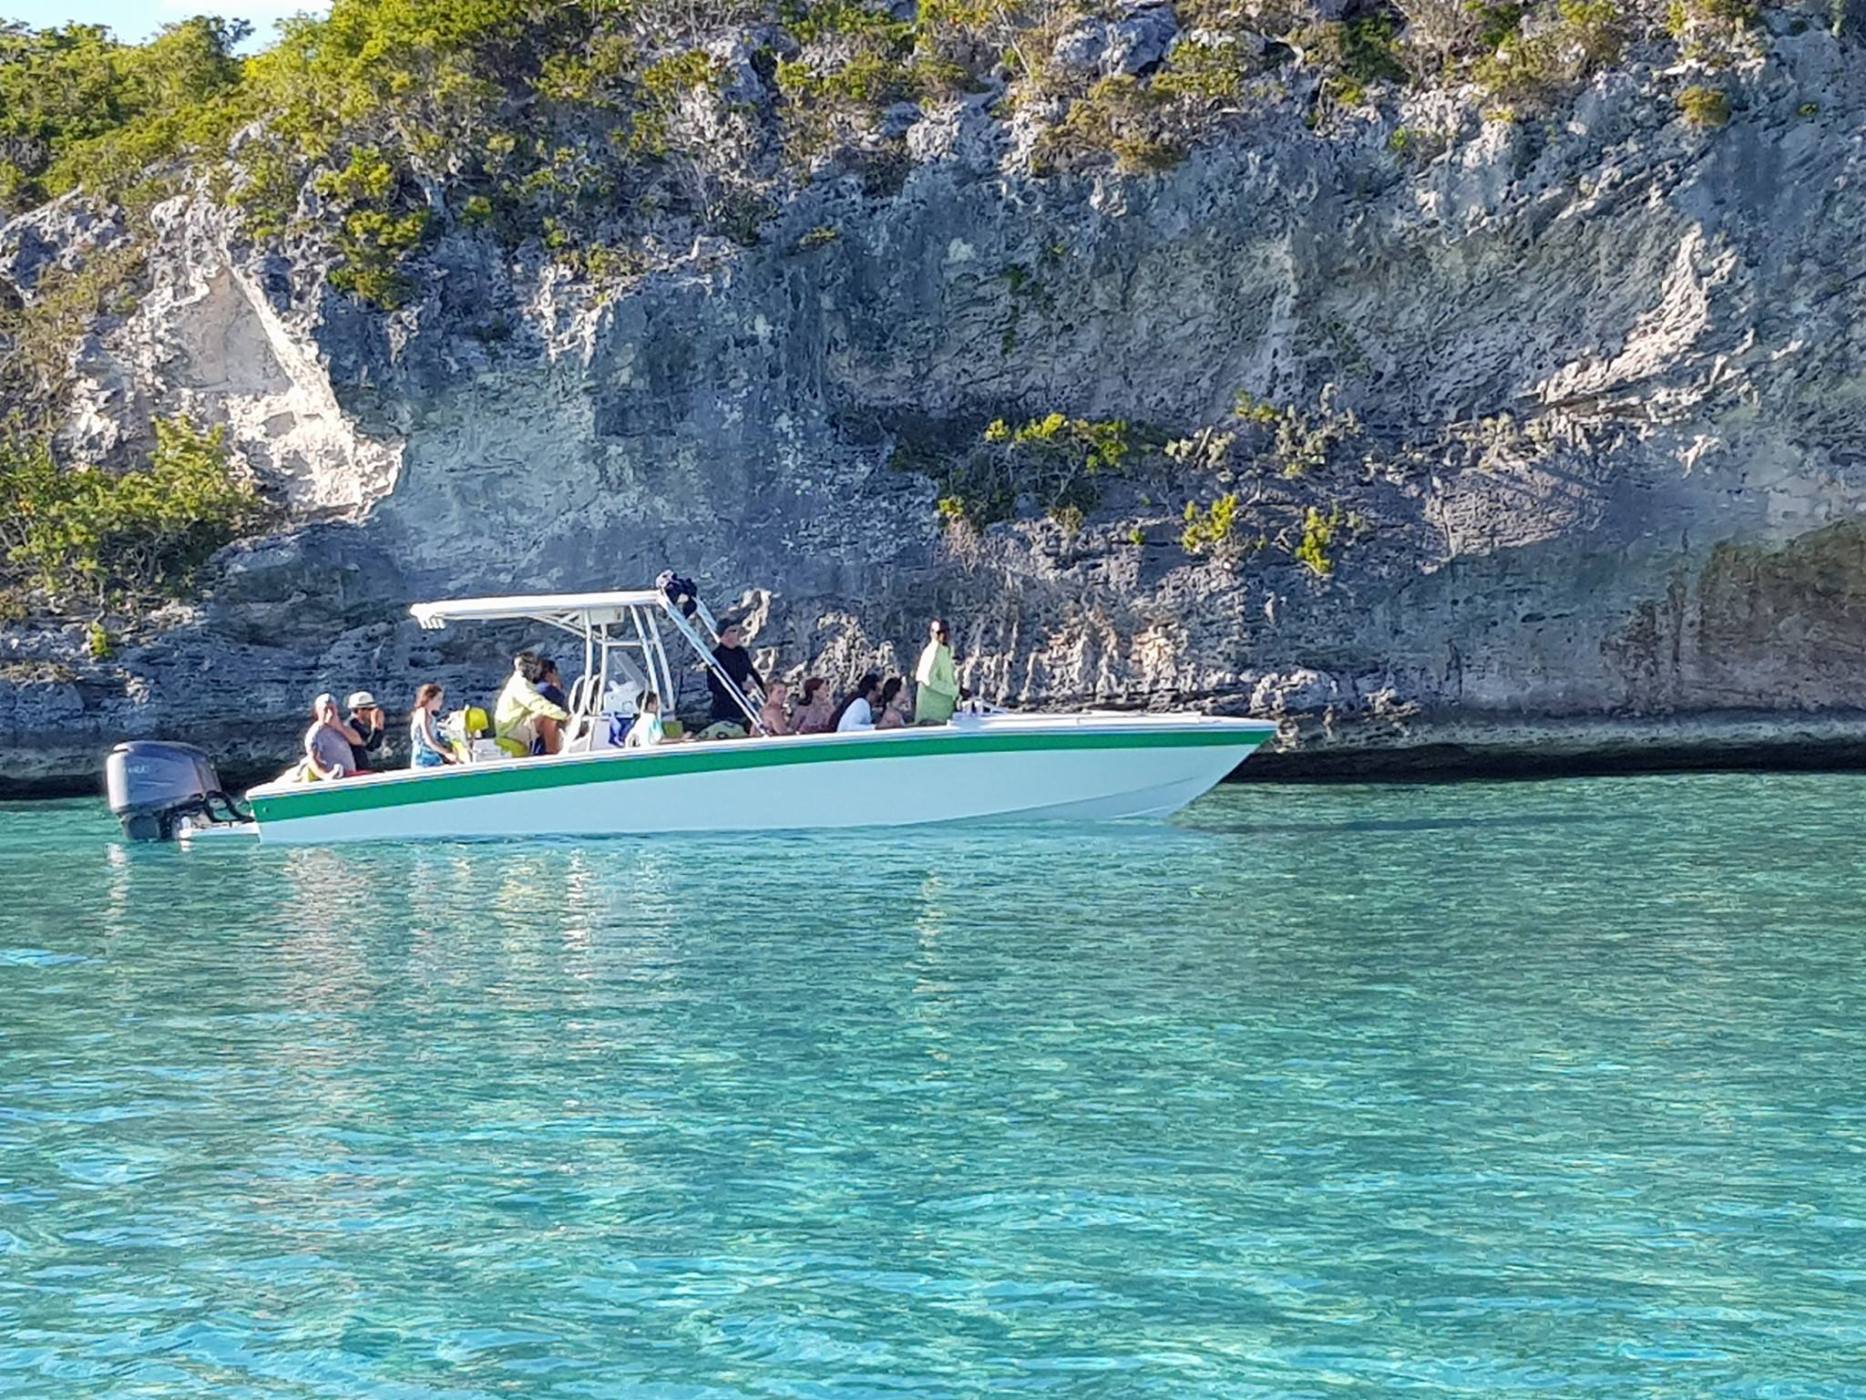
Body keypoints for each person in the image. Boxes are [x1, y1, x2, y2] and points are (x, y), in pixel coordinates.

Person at [495, 650, 570, 756]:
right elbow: (536, 703)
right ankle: (552, 755)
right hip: (511, 730)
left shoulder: (520, 682)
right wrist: (564, 716)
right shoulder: (520, 684)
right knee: (548, 716)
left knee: (550, 714)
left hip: (512, 726)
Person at [707, 621, 764, 727]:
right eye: (732, 631)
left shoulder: (741, 652)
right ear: (723, 634)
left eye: (736, 631)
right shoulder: (716, 656)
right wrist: (740, 685)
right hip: (723, 712)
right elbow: (713, 685)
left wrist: (765, 693)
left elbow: (752, 672)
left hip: (742, 708)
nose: (736, 634)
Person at [914, 618, 960, 724]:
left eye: (946, 631)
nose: (943, 635)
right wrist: (955, 690)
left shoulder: (944, 651)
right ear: (932, 633)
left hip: (943, 716)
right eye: (939, 632)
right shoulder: (932, 652)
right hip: (931, 718)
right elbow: (930, 681)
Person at [303, 693, 356, 781]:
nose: (330, 713)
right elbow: (313, 760)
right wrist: (326, 776)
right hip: (337, 779)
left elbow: (357, 741)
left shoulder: (340, 727)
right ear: (318, 712)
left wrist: (340, 728)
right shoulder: (316, 733)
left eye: (332, 709)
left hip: (350, 776)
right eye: (326, 709)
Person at [344, 690, 387, 771]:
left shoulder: (361, 725)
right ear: (360, 710)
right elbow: (369, 746)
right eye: (370, 709)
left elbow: (376, 745)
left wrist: (379, 726)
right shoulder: (351, 726)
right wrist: (376, 727)